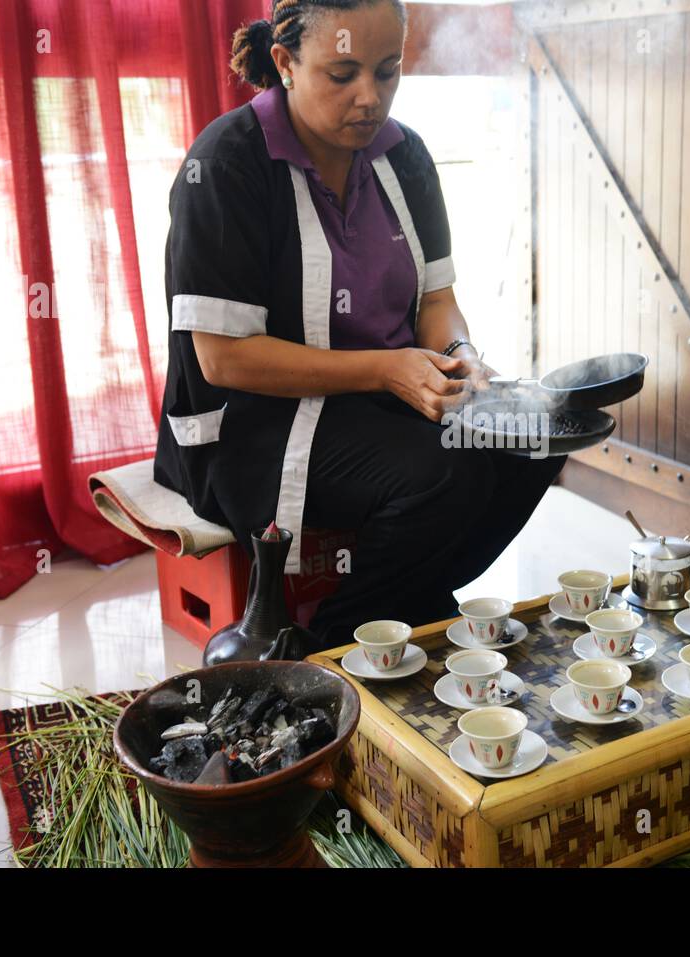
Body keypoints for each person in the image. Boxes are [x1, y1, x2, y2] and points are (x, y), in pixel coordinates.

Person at [153, 0, 565, 650]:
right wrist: (386, 368)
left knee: (534, 434)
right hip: (251, 423)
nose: (369, 99)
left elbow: (437, 303)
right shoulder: (228, 164)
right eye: (342, 74)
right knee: (440, 472)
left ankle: (406, 595)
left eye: (387, 71)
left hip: (370, 400)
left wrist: (462, 355)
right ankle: (335, 647)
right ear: (285, 63)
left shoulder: (405, 156)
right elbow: (224, 359)